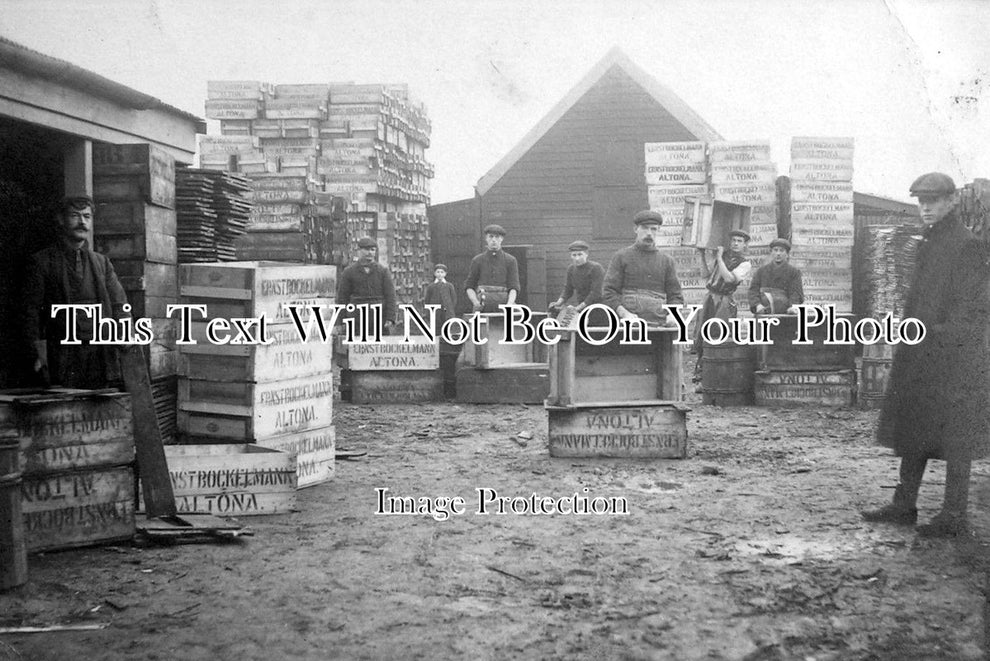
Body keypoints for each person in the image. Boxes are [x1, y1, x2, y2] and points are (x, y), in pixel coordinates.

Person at [862, 172, 990, 537]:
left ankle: (953, 516)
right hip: (921, 351)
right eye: (921, 201)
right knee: (914, 427)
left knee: (956, 436)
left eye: (933, 200)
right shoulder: (929, 242)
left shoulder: (967, 245)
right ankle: (904, 505)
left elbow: (973, 308)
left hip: (955, 357)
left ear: (951, 201)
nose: (926, 207)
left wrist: (939, 336)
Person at [23, 196, 129, 388]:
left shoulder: (102, 263)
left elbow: (120, 305)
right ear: (61, 219)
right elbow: (31, 313)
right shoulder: (42, 262)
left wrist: (123, 335)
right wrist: (37, 352)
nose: (82, 222)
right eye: (74, 215)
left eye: (87, 216)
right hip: (61, 355)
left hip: (98, 355)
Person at [602, 210, 684, 325]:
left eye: (653, 229)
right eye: (645, 228)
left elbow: (675, 295)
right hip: (628, 325)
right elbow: (608, 292)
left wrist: (673, 315)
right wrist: (625, 314)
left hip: (660, 325)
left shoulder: (667, 261)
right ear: (636, 229)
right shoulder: (621, 257)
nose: (649, 233)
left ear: (658, 230)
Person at [692, 229, 752, 380]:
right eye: (733, 240)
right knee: (701, 333)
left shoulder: (745, 264)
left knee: (718, 334)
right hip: (710, 298)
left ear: (745, 245)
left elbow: (729, 279)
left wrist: (719, 257)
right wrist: (701, 255)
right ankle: (701, 374)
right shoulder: (723, 257)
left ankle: (715, 374)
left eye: (739, 241)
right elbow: (706, 275)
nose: (736, 244)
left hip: (724, 301)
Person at [337, 236, 398, 332]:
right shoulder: (349, 272)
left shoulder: (383, 271)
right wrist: (341, 321)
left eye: (372, 250)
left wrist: (390, 318)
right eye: (366, 250)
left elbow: (390, 296)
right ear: (359, 251)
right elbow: (342, 298)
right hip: (356, 319)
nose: (370, 253)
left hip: (378, 318)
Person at [465, 224, 520, 313]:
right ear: (486, 239)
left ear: (501, 239)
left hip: (505, 305)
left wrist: (509, 305)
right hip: (482, 306)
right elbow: (469, 286)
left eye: (497, 237)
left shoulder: (511, 260)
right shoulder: (477, 260)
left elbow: (514, 286)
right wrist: (476, 302)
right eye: (491, 237)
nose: (494, 240)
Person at [548, 240, 605, 318]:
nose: (577, 258)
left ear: (586, 254)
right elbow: (568, 289)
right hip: (583, 309)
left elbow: (596, 293)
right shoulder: (571, 269)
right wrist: (558, 303)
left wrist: (578, 308)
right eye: (574, 255)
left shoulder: (596, 268)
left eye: (580, 254)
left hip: (599, 309)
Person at [747, 238, 804, 315]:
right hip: (764, 312)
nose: (778, 253)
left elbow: (796, 293)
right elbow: (753, 290)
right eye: (775, 250)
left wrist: (792, 307)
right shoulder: (761, 271)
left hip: (785, 313)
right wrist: (757, 305)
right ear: (771, 252)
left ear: (787, 254)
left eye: (781, 250)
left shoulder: (793, 272)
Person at [423, 263, 457, 327]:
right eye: (438, 272)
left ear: (445, 274)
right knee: (436, 326)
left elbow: (453, 299)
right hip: (436, 311)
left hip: (447, 311)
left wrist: (450, 308)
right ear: (435, 273)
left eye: (442, 272)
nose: (440, 274)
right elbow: (427, 299)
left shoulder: (449, 286)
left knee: (446, 326)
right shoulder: (431, 286)